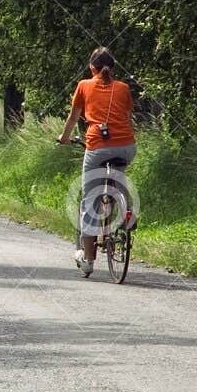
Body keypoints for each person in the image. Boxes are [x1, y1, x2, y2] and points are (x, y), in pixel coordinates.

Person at [57, 47, 137, 276]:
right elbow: (127, 118)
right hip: (126, 146)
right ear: (113, 68)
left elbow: (74, 117)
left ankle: (89, 260)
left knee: (89, 201)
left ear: (92, 67)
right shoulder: (123, 88)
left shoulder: (84, 85)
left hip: (97, 146)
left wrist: (64, 138)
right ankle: (125, 210)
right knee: (118, 175)